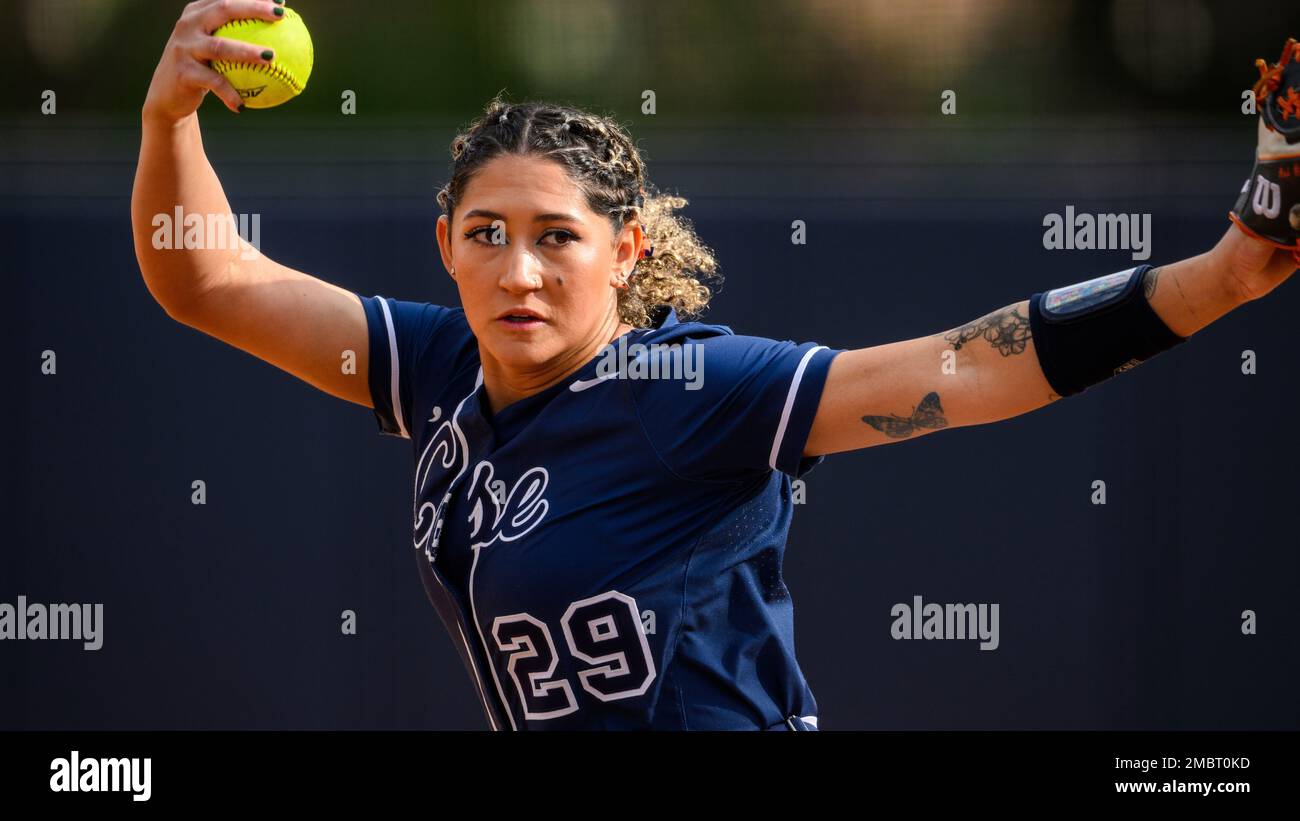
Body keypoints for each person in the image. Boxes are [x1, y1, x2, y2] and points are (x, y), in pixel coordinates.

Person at [131, 2, 1299, 730]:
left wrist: (1228, 270)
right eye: (486, 234)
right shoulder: (443, 366)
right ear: (445, 245)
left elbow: (965, 369)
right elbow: (207, 279)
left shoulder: (683, 392)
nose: (518, 272)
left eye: (557, 236)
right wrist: (169, 118)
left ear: (625, 250)